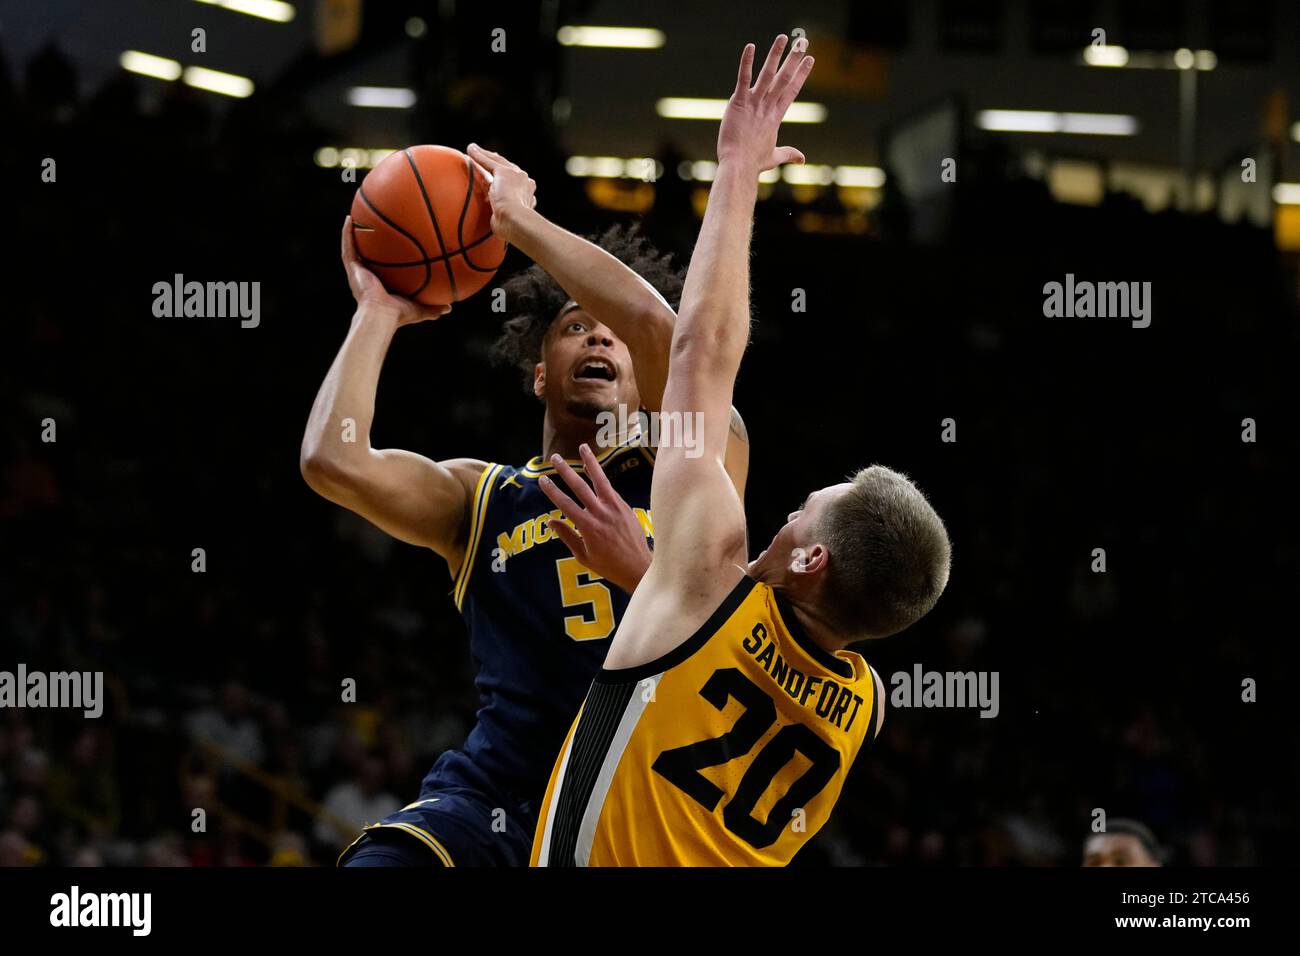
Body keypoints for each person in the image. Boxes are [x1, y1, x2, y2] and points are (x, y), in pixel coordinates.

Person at [531, 36, 951, 866]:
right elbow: (724, 661)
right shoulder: (861, 704)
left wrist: (735, 170)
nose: (787, 512)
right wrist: (655, 579)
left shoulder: (706, 574)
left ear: (812, 562)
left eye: (803, 513)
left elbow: (700, 354)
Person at [300, 147, 749, 866]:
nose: (600, 333)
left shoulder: (692, 466)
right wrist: (378, 311)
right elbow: (334, 460)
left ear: (646, 388)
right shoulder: (483, 497)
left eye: (611, 333)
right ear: (540, 374)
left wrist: (520, 221)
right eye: (575, 327)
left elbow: (663, 331)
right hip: (493, 802)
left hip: (627, 815)